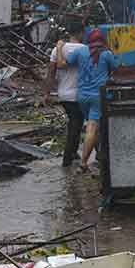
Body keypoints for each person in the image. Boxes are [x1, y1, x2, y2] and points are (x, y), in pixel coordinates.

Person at [57, 28, 119, 172]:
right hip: (99, 96)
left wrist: (60, 48)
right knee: (92, 128)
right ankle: (84, 163)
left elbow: (61, 64)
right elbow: (116, 68)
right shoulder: (106, 54)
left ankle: (100, 157)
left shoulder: (81, 52)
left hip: (82, 97)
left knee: (93, 127)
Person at [42, 22, 85, 167]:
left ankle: (73, 154)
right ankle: (67, 159)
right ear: (81, 33)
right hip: (80, 94)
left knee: (76, 123)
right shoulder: (85, 50)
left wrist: (47, 93)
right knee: (76, 124)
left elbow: (51, 73)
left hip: (63, 94)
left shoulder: (56, 49)